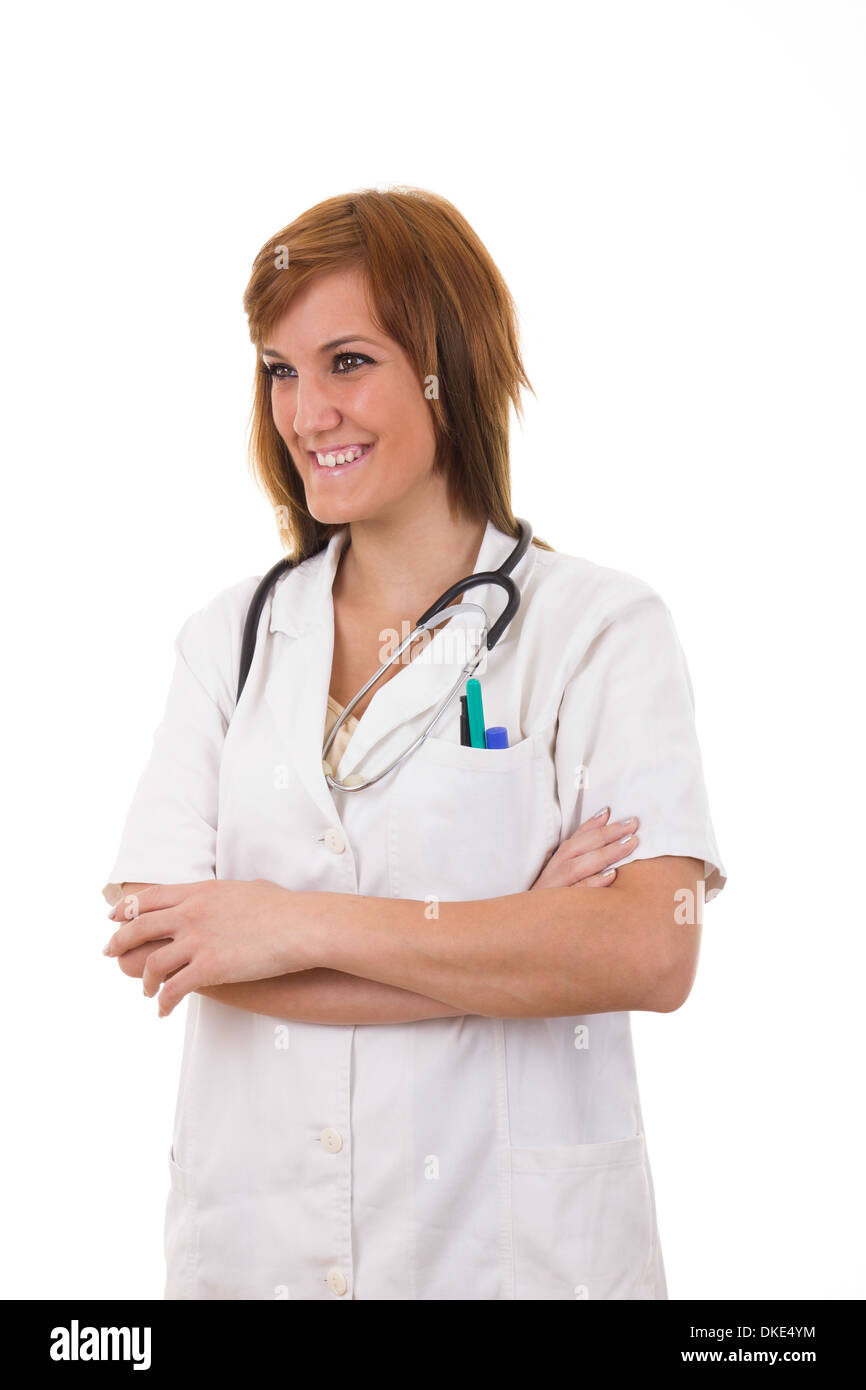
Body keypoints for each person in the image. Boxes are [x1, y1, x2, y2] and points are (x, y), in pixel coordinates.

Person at [102, 186, 727, 1301]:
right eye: (279, 370)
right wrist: (524, 938)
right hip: (258, 1252)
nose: (304, 413)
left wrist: (276, 921)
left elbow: (648, 950)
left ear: (451, 364)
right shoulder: (229, 642)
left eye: (347, 361)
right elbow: (167, 940)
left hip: (509, 1259)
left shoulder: (594, 628)